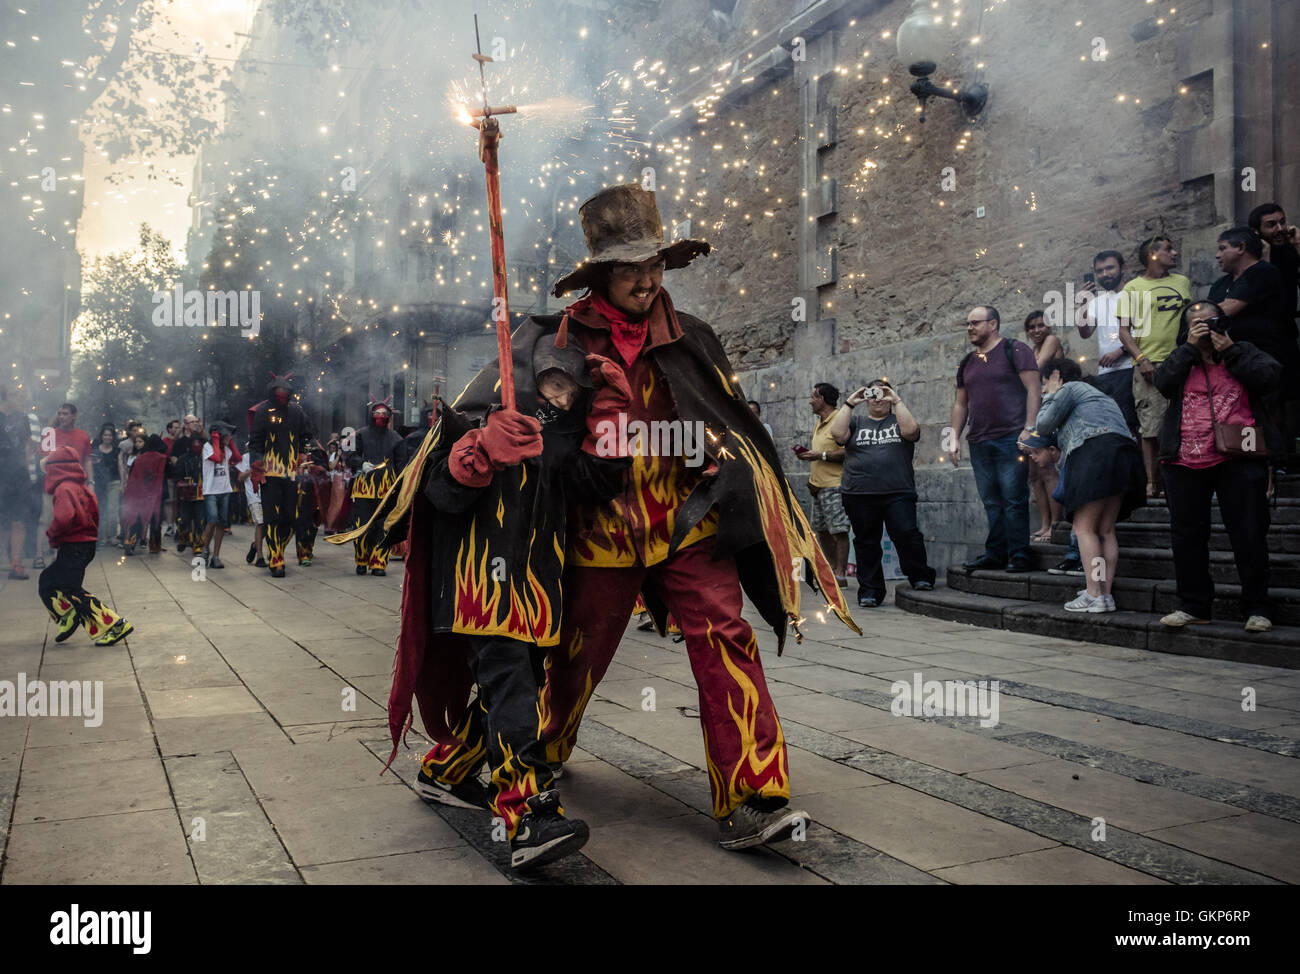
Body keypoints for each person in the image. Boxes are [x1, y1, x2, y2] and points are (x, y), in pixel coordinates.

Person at [361, 184, 854, 852]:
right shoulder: (550, 340)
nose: (646, 280)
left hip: (687, 528)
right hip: (593, 535)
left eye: (654, 265)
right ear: (600, 275)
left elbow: (725, 428)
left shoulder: (694, 340)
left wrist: (716, 460)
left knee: (727, 638)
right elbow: (490, 429)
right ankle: (480, 762)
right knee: (564, 667)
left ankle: (753, 794)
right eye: (629, 269)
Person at [400, 340, 628, 869]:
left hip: (536, 591)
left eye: (573, 389)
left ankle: (445, 771)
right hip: (480, 589)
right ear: (527, 379)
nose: (563, 398)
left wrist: (614, 414)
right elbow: (439, 495)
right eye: (553, 383)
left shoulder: (565, 443)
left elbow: (600, 484)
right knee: (513, 689)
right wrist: (476, 454)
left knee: (511, 689)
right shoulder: (473, 420)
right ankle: (528, 816)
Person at [1154, 302, 1280, 633]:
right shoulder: (1183, 357)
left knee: (1249, 533)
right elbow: (1163, 383)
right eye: (1195, 323)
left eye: (1209, 321)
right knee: (1187, 536)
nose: (1204, 327)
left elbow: (1269, 378)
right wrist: (1188, 349)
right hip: (1184, 458)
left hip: (1240, 454)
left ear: (1222, 322)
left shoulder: (1242, 350)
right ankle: (1193, 605)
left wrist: (1233, 351)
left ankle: (1257, 607)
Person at [1019, 359, 1145, 612]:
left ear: (1057, 377)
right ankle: (1104, 594)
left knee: (1084, 528)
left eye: (1046, 384)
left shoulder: (1069, 389)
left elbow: (1043, 423)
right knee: (1106, 530)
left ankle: (1094, 593)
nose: (1044, 390)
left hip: (1095, 454)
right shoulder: (1100, 397)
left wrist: (1052, 394)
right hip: (1124, 455)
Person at [949, 305, 1041, 572]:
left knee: (1013, 498)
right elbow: (960, 404)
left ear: (993, 325)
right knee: (991, 501)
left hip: (1011, 437)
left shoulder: (1015, 350)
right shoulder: (967, 362)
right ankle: (996, 553)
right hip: (978, 441)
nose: (970, 328)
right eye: (967, 323)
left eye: (975, 323)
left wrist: (1030, 427)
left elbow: (1034, 389)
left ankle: (1019, 554)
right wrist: (953, 438)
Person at [831, 379, 936, 607]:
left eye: (882, 393)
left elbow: (912, 431)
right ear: (866, 398)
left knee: (907, 534)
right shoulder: (857, 422)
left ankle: (920, 576)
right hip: (859, 494)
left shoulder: (899, 419)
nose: (878, 398)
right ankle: (870, 590)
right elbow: (838, 434)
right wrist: (850, 402)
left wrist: (896, 399)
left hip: (897, 492)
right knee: (866, 542)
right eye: (872, 393)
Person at [1207, 226, 1297, 469]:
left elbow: (1226, 308)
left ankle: (1272, 466)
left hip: (1263, 357)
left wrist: (1199, 321)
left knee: (1266, 412)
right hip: (1229, 359)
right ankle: (1238, 462)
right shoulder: (1221, 284)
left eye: (1223, 248)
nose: (1218, 255)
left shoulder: (1263, 272)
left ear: (1241, 248)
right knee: (1236, 413)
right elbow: (1212, 311)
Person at [1116, 236, 1192, 498]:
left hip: (1182, 360)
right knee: (1150, 424)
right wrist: (1141, 359)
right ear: (1152, 254)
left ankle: (1185, 473)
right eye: (1168, 249)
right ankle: (1152, 482)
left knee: (1186, 419)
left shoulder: (1182, 282)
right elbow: (1124, 331)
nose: (1174, 252)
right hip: (1150, 363)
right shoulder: (1133, 288)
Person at [36, 445, 132, 646]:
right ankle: (67, 616)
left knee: (71, 589)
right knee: (48, 581)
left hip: (73, 546)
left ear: (57, 468)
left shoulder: (64, 489)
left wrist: (53, 536)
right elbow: (95, 513)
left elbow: (64, 519)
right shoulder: (82, 488)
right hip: (85, 545)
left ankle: (114, 625)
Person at [248, 374, 313, 578]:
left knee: (291, 517)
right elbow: (256, 440)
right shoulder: (262, 411)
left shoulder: (297, 412)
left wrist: (303, 453)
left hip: (292, 473)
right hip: (270, 472)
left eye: (286, 392)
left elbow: (305, 435)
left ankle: (274, 549)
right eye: (279, 392)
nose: (282, 395)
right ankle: (276, 558)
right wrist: (257, 465)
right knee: (272, 516)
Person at [793, 383, 850, 584]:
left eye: (813, 397)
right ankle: (833, 569)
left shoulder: (840, 420)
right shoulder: (819, 422)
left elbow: (849, 452)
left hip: (835, 486)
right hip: (817, 487)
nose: (810, 401)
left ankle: (841, 574)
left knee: (839, 531)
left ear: (823, 399)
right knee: (822, 530)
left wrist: (820, 455)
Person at [1076, 250, 1138, 433]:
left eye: (1110, 268)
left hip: (1133, 366)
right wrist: (1084, 304)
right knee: (1118, 426)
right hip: (1108, 373)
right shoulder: (1098, 301)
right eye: (1100, 271)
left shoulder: (1134, 293)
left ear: (1122, 268)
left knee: (1140, 426)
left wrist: (1120, 351)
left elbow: (1144, 331)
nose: (1105, 274)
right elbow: (1085, 332)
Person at [346, 399, 403, 576]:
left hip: (387, 490)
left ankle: (379, 562)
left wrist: (401, 486)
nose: (380, 417)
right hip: (364, 488)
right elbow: (350, 456)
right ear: (371, 415)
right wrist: (361, 463)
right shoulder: (360, 435)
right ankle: (362, 559)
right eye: (377, 413)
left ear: (389, 417)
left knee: (383, 526)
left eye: (384, 414)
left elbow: (402, 465)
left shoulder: (397, 438)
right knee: (362, 525)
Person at [0, 385, 36, 578]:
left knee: (19, 520)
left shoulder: (23, 419)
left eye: (22, 394)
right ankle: (3, 558)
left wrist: (28, 470)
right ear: (5, 395)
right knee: (3, 520)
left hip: (19, 475)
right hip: (1, 475)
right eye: (15, 393)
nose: (20, 397)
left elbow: (28, 446)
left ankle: (16, 563)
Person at [197, 422, 240, 568]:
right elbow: (216, 458)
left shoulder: (226, 449)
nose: (230, 437)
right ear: (219, 435)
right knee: (212, 519)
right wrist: (215, 439)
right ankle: (204, 549)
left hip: (225, 490)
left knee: (222, 522)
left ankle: (216, 556)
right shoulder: (207, 447)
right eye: (227, 435)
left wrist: (230, 442)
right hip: (211, 491)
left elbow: (236, 458)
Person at [121, 434, 168, 555]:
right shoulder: (163, 458)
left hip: (141, 492)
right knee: (156, 519)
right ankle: (155, 546)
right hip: (158, 492)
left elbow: (133, 475)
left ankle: (131, 542)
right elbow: (170, 473)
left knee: (137, 517)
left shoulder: (139, 459)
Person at [1250, 202, 1298, 318]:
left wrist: (1298, 244)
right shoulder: (1248, 256)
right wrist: (1265, 256)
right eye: (1271, 225)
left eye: (1282, 222)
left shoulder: (1290, 249)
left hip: (1287, 328)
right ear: (1256, 231)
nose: (1280, 229)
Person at [234, 447, 266, 567]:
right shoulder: (246, 457)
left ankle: (254, 546)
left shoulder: (269, 454)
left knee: (269, 526)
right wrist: (252, 471)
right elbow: (240, 477)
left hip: (268, 494)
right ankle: (260, 557)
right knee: (260, 523)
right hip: (254, 496)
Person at [91, 423, 121, 546]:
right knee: (101, 509)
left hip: (114, 482)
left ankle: (112, 535)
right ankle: (101, 536)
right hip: (99, 483)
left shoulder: (117, 451)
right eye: (105, 435)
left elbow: (120, 466)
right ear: (101, 436)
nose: (107, 437)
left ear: (113, 437)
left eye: (110, 435)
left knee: (112, 509)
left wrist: (124, 482)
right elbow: (91, 467)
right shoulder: (95, 451)